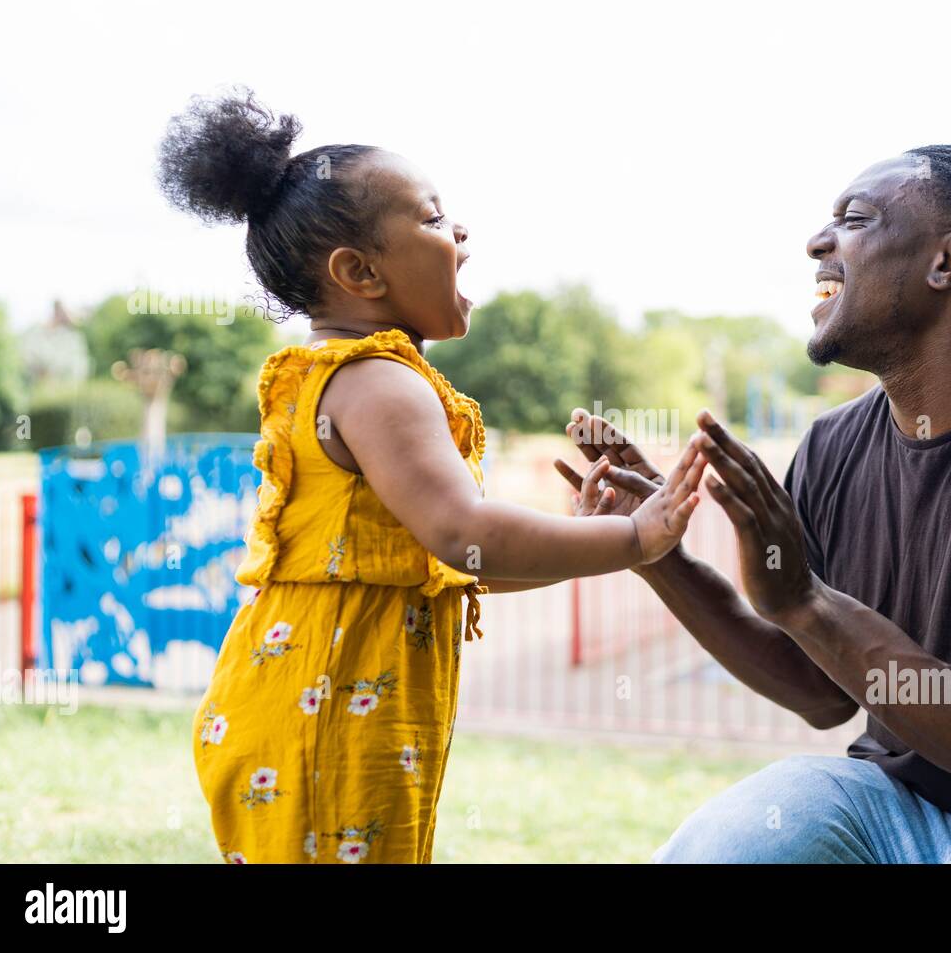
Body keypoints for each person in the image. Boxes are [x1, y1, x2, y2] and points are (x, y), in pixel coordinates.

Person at [558, 145, 951, 863]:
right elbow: (818, 687)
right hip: (892, 818)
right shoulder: (835, 444)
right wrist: (658, 556)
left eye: (855, 220)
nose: (816, 243)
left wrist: (809, 604)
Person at [159, 89, 706, 864]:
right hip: (324, 719)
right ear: (359, 271)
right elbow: (463, 532)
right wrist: (634, 538)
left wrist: (580, 540)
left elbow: (448, 562)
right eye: (431, 216)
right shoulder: (379, 381)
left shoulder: (359, 379)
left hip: (330, 711)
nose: (460, 230)